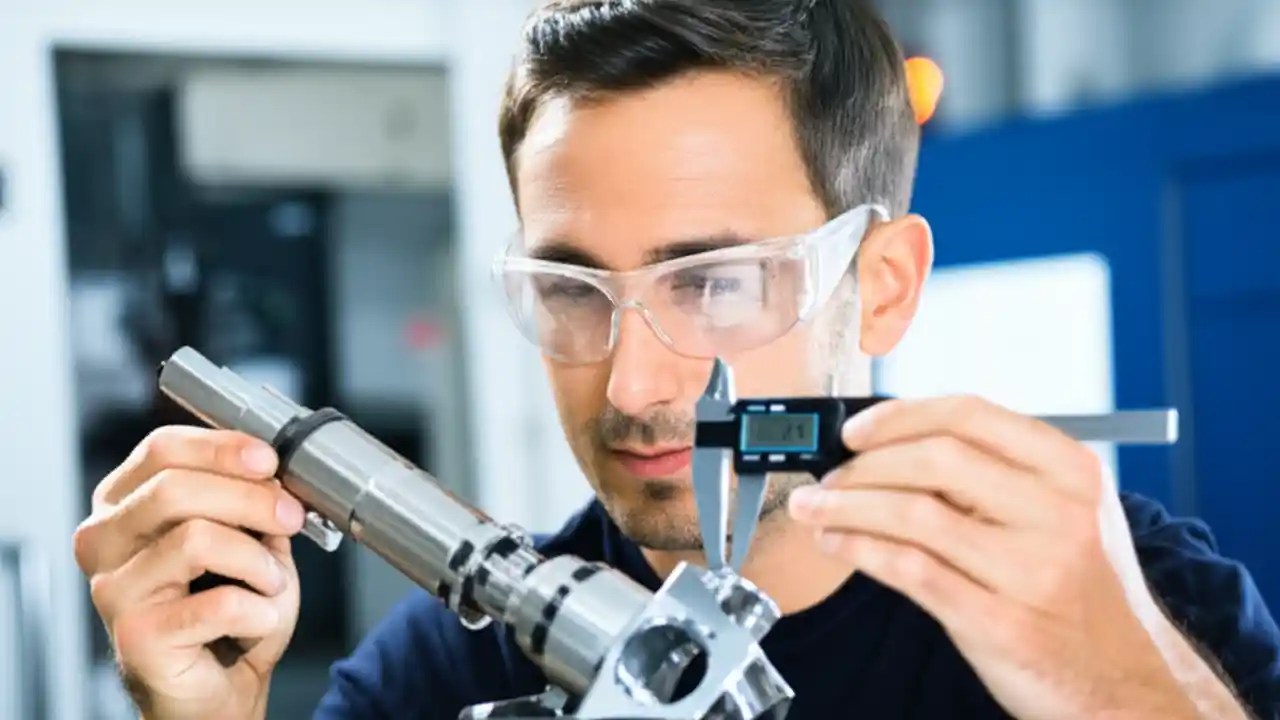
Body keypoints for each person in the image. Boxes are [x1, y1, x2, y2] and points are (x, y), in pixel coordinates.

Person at [73, 1, 1280, 718]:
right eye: (569, 293)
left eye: (710, 284)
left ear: (882, 285)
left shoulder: (1129, 608)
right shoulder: (442, 668)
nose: (639, 388)